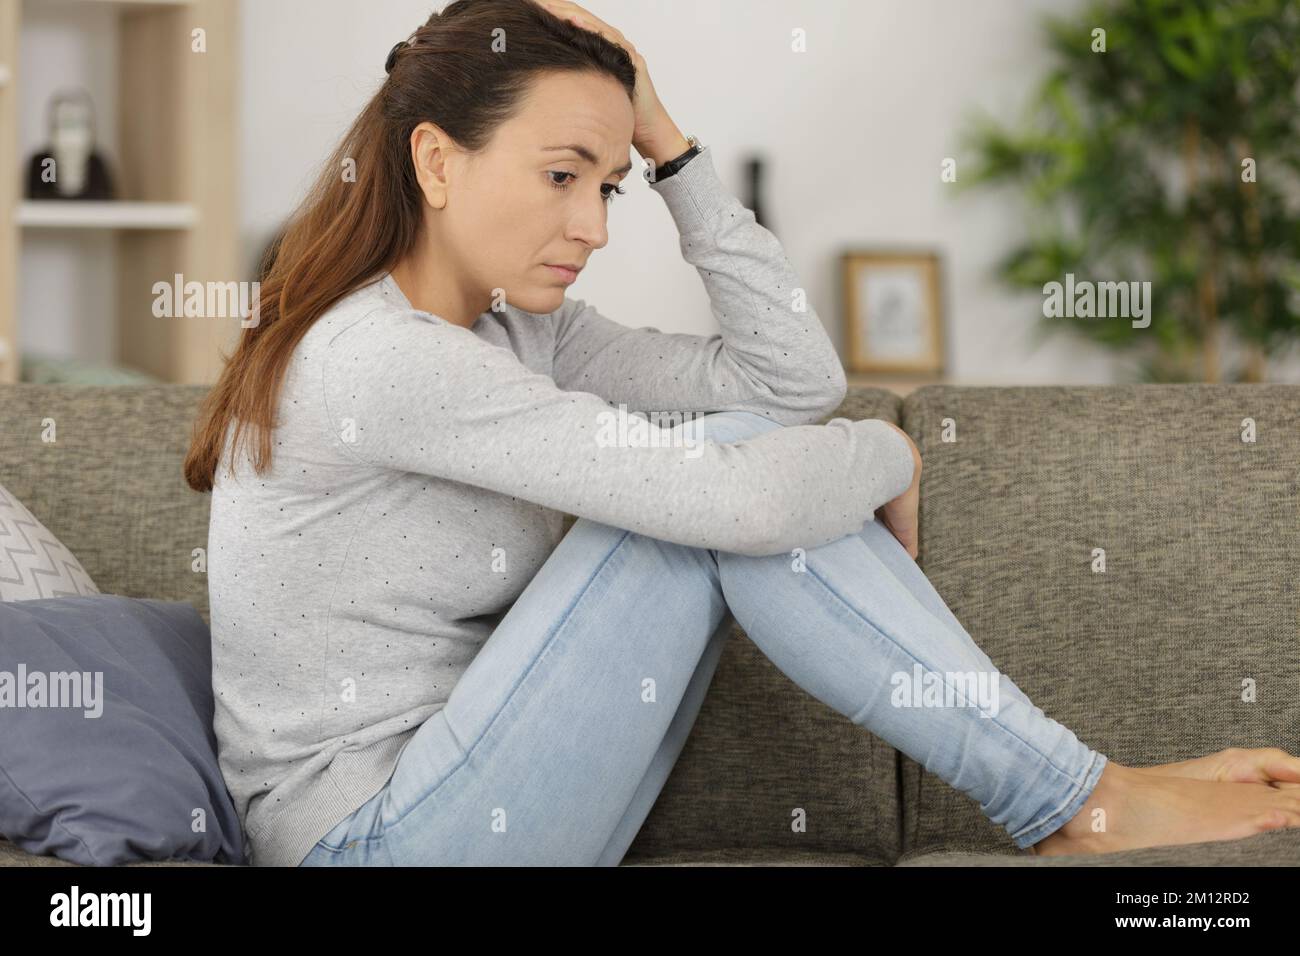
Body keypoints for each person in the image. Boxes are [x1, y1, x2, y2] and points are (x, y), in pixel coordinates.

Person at [183, 0, 1300, 867]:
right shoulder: (376, 356)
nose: (590, 225)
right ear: (436, 160)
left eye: (611, 188)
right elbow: (748, 498)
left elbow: (794, 382)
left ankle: (1076, 789)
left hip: (493, 801)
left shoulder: (528, 334)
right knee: (712, 489)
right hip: (379, 843)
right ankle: (1076, 798)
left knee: (732, 454)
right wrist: (890, 452)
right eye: (562, 174)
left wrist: (672, 148)